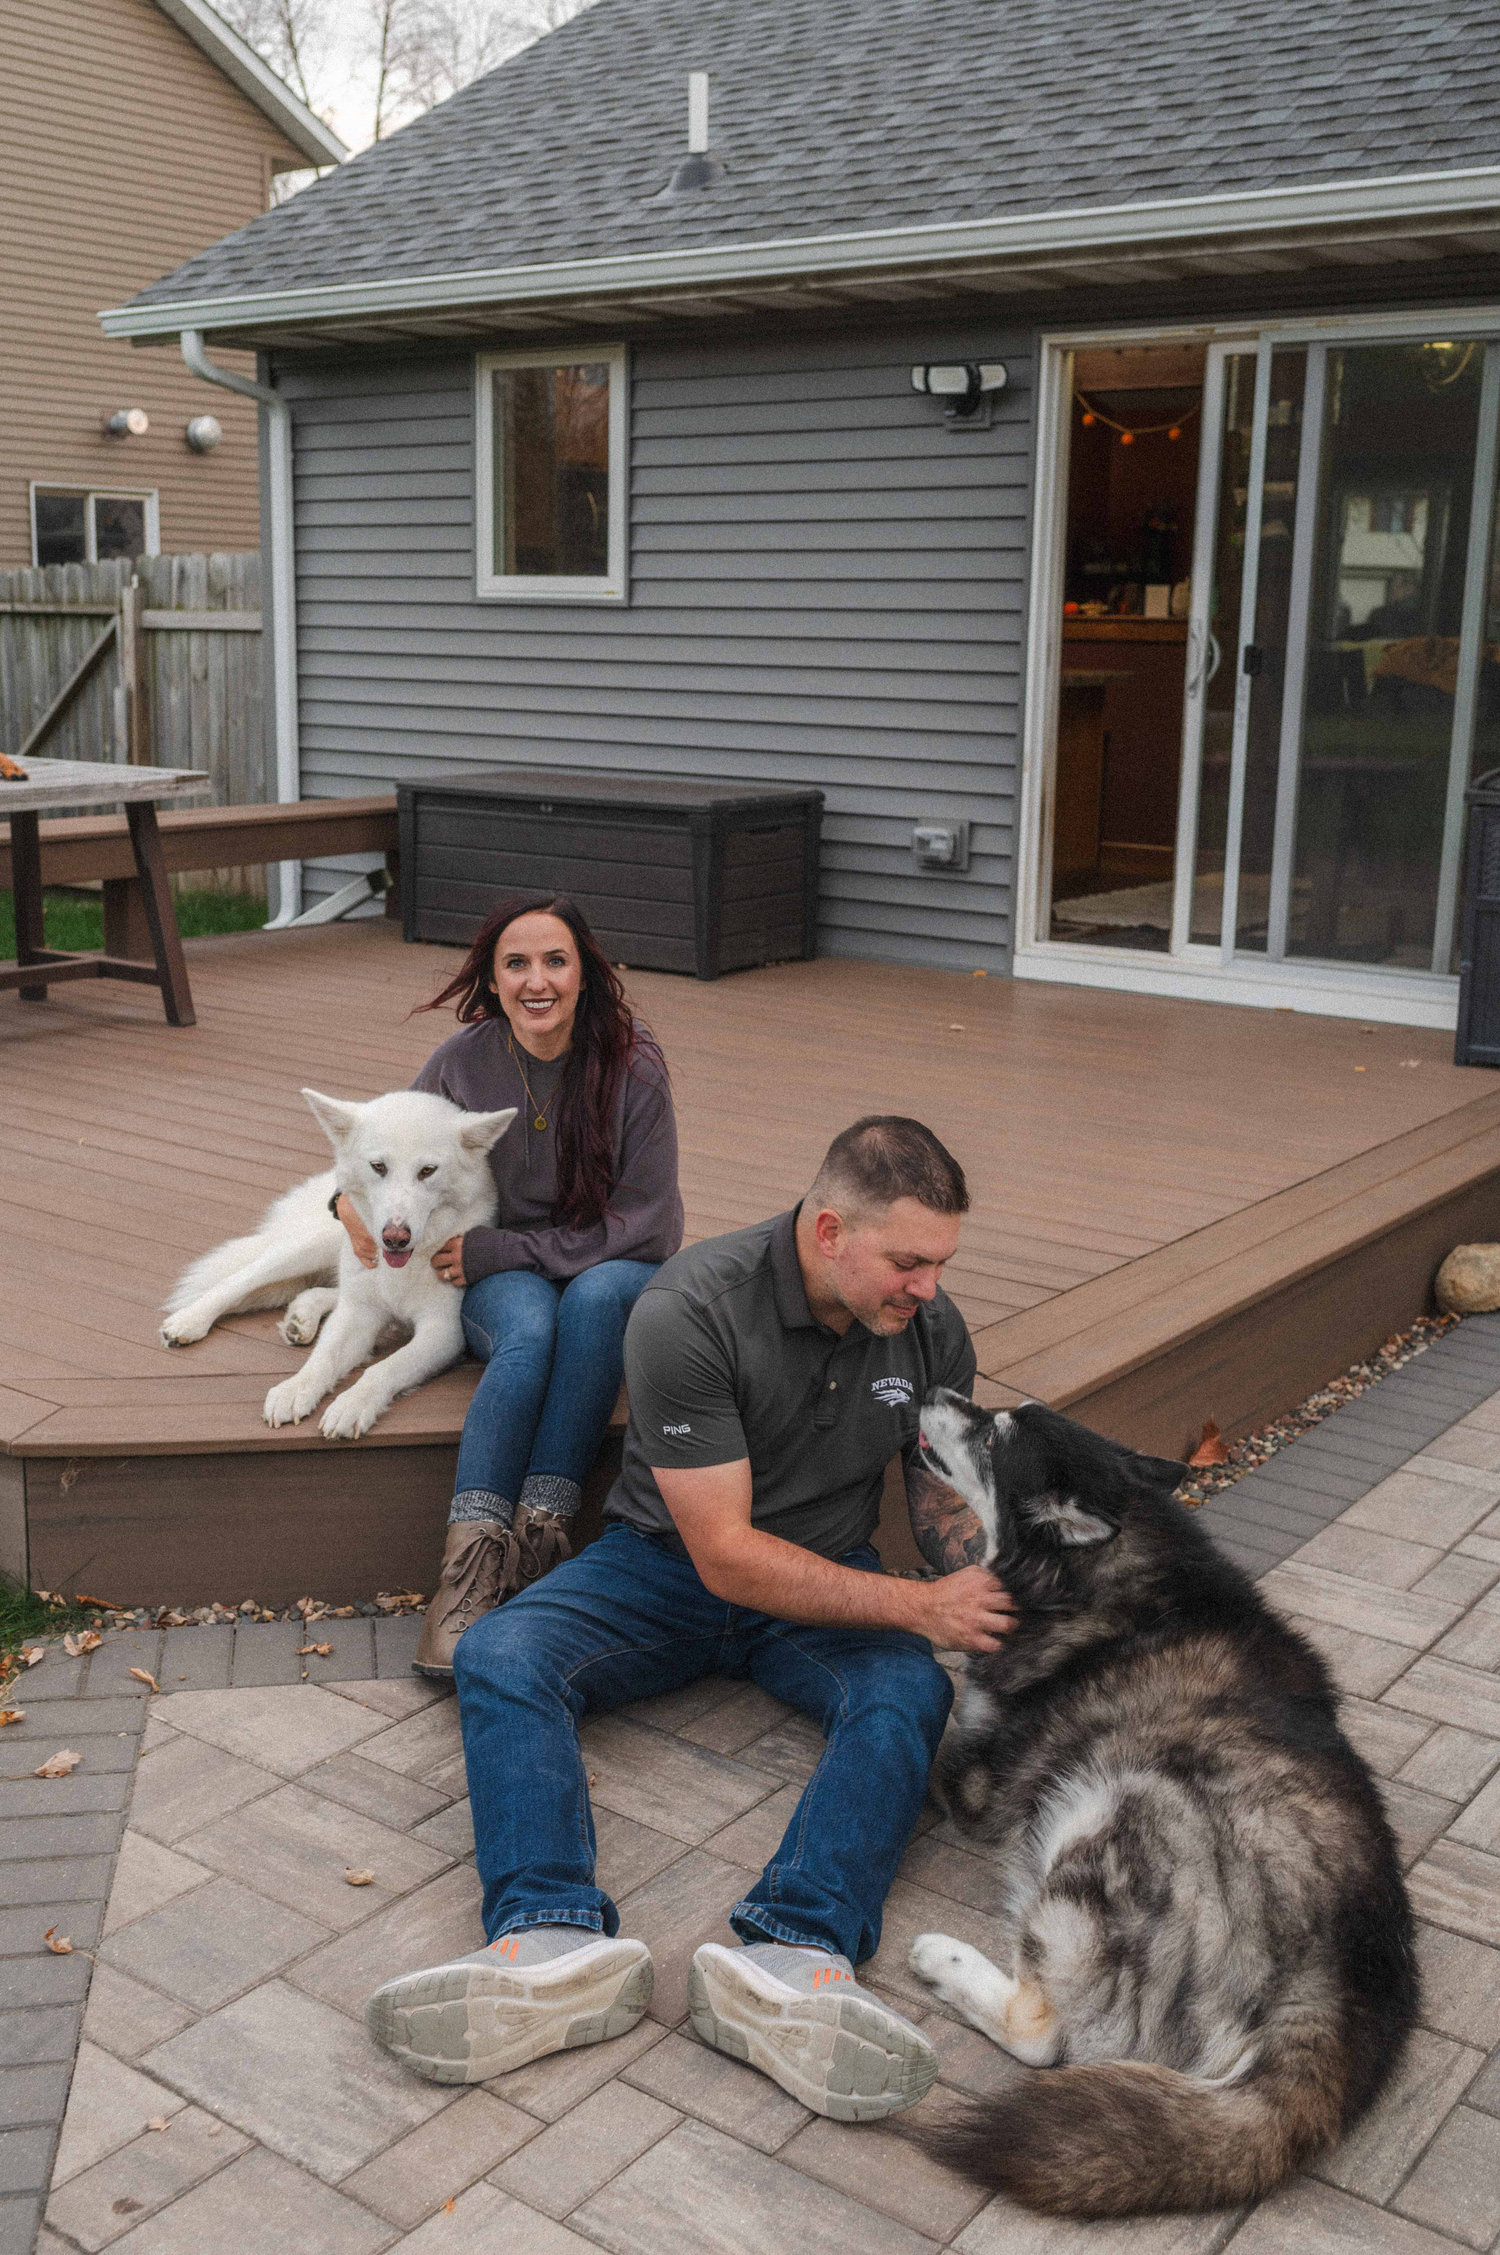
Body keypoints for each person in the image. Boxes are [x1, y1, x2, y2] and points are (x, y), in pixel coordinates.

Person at [366, 1117, 1014, 2121]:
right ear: (831, 1228)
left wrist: (983, 1580)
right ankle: (549, 1936)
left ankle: (795, 1954)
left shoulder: (928, 1326)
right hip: (663, 1567)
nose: (929, 1285)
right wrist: (920, 1605)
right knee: (501, 1649)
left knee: (908, 1688)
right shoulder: (693, 1306)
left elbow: (936, 1495)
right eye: (910, 1260)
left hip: (822, 1580)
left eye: (942, 1262)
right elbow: (724, 1550)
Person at [335, 892, 684, 1677]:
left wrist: (509, 1247)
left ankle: (540, 1544)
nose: (538, 980)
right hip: (499, 1267)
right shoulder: (462, 1061)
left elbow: (650, 1223)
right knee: (526, 1336)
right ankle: (467, 1572)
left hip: (608, 1261)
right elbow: (381, 1150)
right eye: (516, 964)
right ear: (492, 982)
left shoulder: (635, 1065)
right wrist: (338, 1202)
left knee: (593, 1304)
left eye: (555, 960)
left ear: (585, 974)